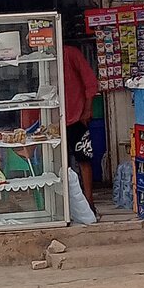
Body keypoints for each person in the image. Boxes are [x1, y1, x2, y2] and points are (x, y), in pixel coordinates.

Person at [63, 43, 99, 212]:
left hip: (77, 115)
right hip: (56, 119)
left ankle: (89, 201)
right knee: (60, 163)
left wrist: (87, 109)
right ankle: (64, 205)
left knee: (84, 159)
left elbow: (90, 82)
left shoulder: (70, 53)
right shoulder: (46, 57)